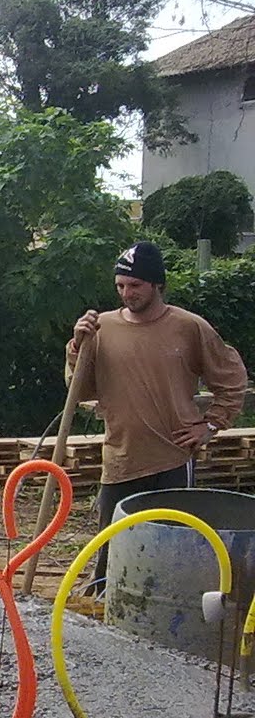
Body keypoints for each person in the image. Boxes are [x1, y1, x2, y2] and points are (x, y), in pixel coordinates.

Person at [68, 240, 247, 591]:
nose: (126, 293)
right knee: (110, 540)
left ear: (156, 285)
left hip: (171, 457)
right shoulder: (101, 329)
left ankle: (165, 602)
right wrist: (77, 346)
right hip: (120, 456)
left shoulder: (188, 327)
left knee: (172, 541)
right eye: (120, 286)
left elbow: (232, 377)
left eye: (135, 285)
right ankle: (103, 594)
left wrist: (211, 424)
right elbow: (80, 390)